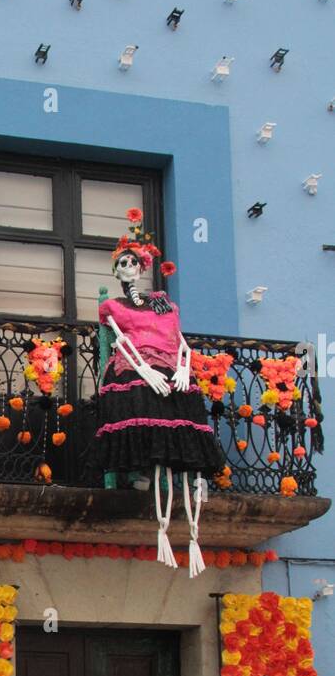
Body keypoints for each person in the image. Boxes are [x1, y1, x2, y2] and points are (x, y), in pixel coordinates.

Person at [94, 209, 224, 576]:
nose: (130, 267)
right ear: (117, 271)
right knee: (144, 401)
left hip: (169, 363)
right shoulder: (113, 306)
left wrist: (184, 367)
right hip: (139, 364)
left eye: (134, 262)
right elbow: (122, 339)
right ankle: (149, 479)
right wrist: (144, 368)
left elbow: (179, 340)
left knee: (178, 408)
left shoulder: (162, 303)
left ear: (143, 266)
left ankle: (190, 498)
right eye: (123, 263)